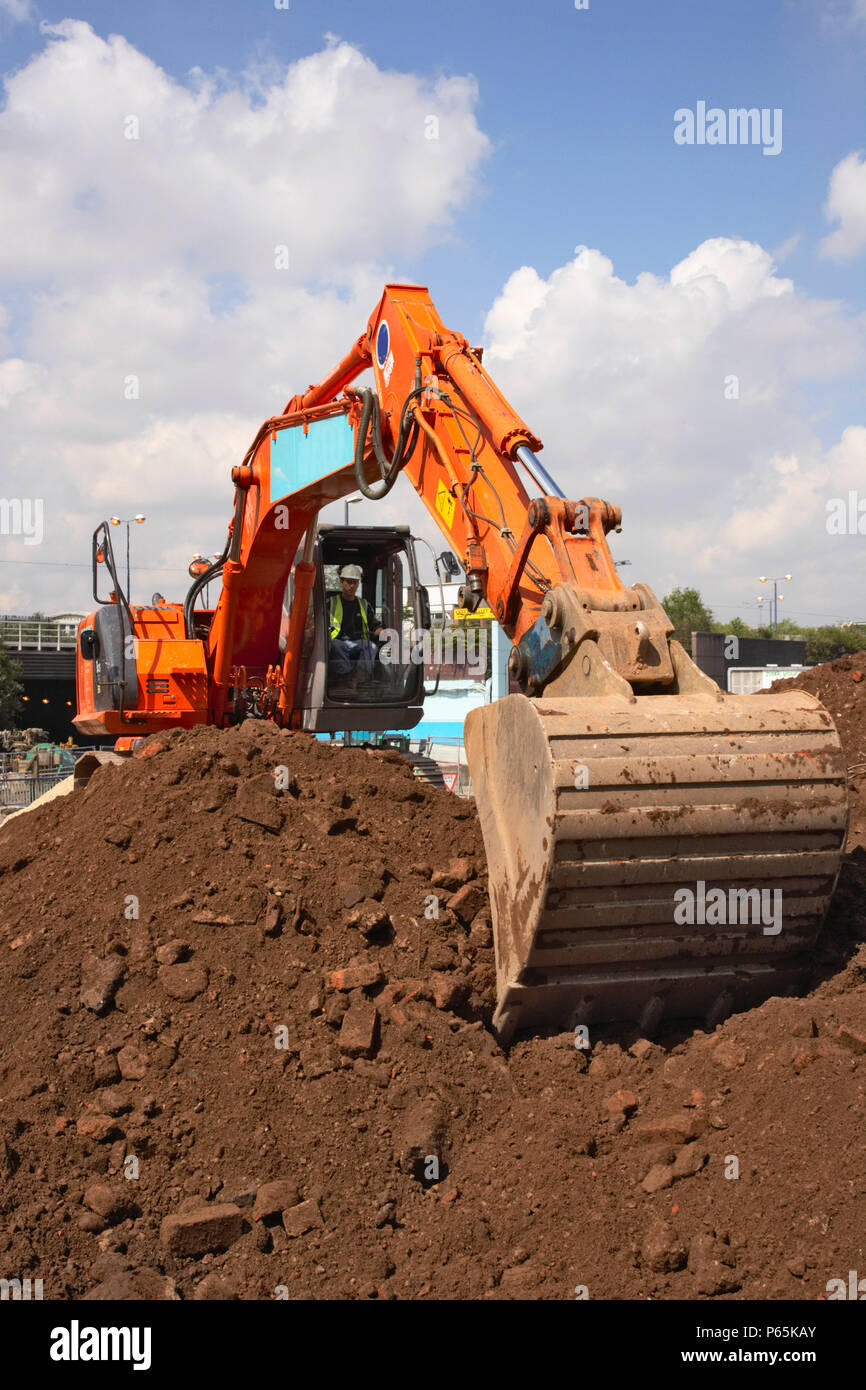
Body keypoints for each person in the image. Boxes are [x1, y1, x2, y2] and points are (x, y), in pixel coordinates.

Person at [327, 564, 382, 688]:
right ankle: (345, 678)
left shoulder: (364, 605)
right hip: (337, 641)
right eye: (349, 582)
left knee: (371, 646)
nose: (352, 586)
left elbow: (374, 626)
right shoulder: (331, 603)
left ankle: (357, 679)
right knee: (336, 645)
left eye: (355, 582)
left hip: (357, 643)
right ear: (341, 582)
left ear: (358, 584)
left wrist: (385, 633)